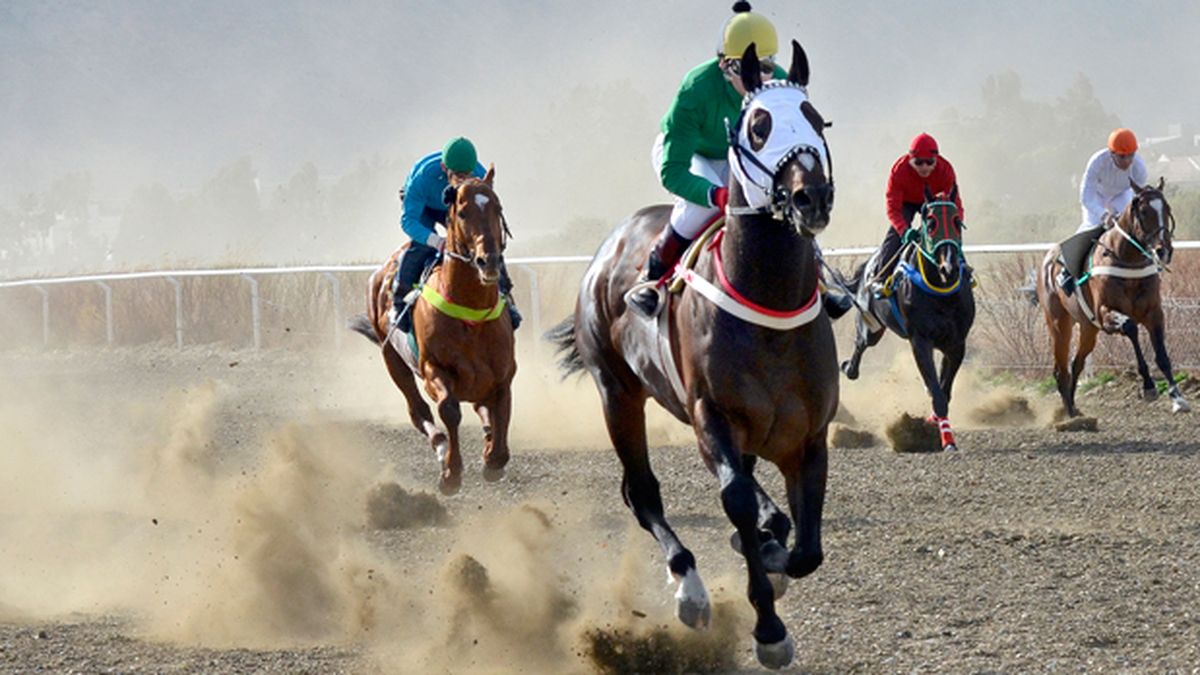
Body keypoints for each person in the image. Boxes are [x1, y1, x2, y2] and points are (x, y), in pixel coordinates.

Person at [629, 2, 856, 318]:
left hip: (741, 158)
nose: (760, 78)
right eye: (748, 69)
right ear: (725, 66)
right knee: (701, 207)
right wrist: (716, 194)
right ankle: (651, 280)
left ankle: (819, 284)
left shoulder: (777, 83)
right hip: (691, 155)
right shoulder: (695, 90)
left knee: (784, 203)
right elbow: (673, 171)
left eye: (766, 66)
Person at [391, 136, 522, 333]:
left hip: (459, 206)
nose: (462, 180)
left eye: (466, 175)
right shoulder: (423, 178)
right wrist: (435, 241)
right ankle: (399, 302)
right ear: (445, 168)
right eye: (457, 175)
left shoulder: (479, 175)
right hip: (424, 208)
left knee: (486, 246)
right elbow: (408, 221)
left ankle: (506, 299)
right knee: (421, 247)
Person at [1056, 127, 1148, 295]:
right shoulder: (1097, 161)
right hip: (1096, 196)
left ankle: (1147, 265)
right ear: (1112, 153)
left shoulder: (1140, 168)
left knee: (1129, 229)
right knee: (1093, 225)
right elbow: (1086, 196)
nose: (1127, 161)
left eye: (1131, 156)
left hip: (1121, 195)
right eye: (1122, 156)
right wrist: (1104, 215)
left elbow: (1138, 200)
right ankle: (1067, 269)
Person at [871, 132, 965, 295]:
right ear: (910, 159)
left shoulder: (945, 170)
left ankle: (964, 271)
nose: (924, 167)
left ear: (937, 159)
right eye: (918, 163)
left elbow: (955, 206)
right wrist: (903, 230)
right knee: (895, 236)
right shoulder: (899, 170)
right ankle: (880, 277)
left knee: (948, 235)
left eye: (930, 162)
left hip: (934, 202)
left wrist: (955, 224)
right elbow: (893, 208)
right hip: (906, 203)